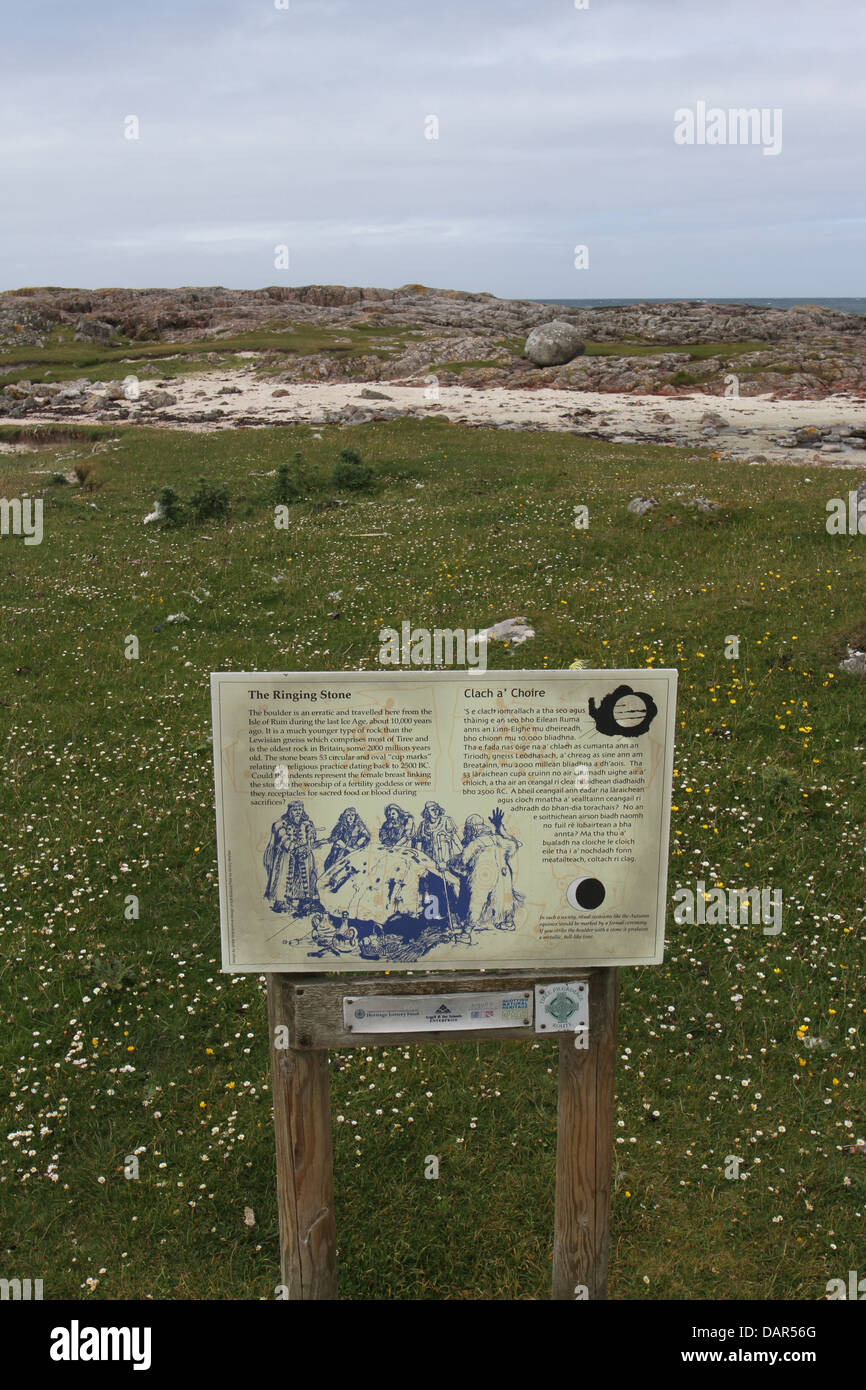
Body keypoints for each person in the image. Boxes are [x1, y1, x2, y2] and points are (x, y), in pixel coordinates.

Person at [449, 807, 523, 938]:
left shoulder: (475, 842)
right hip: (503, 873)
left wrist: (449, 863)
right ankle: (507, 922)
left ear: (471, 829)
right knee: (503, 898)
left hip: (484, 874)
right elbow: (514, 845)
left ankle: (466, 932)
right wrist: (500, 827)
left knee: (477, 901)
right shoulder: (498, 839)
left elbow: (463, 860)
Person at [263, 801, 318, 914]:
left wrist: (309, 843)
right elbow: (283, 838)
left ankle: (304, 901)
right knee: (284, 877)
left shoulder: (307, 823)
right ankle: (281, 902)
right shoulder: (281, 824)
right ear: (290, 811)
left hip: (304, 855)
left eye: (299, 809)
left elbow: (311, 838)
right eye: (295, 809)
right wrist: (294, 848)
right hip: (287, 856)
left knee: (304, 877)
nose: (298, 812)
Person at [413, 801, 461, 870]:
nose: (435, 812)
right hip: (428, 862)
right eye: (432, 810)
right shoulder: (423, 825)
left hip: (445, 862)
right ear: (427, 812)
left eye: (437, 809)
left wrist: (460, 853)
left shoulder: (446, 821)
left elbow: (455, 839)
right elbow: (419, 844)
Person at [324, 807, 370, 871]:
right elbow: (336, 839)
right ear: (344, 816)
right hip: (340, 851)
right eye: (348, 815)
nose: (351, 817)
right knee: (334, 867)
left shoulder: (359, 825)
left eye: (353, 815)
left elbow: (366, 836)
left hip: (354, 850)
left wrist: (358, 843)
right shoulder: (340, 826)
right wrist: (347, 848)